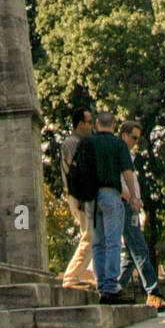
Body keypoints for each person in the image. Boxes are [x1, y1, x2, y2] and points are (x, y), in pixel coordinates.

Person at [90, 110, 138, 303]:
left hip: (91, 197)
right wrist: (133, 196)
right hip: (111, 193)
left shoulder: (88, 143)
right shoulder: (119, 144)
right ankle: (111, 286)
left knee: (97, 243)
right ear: (114, 126)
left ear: (96, 123)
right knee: (113, 242)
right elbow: (127, 171)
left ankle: (101, 285)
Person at [117, 121, 164, 308]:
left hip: (131, 205)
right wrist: (130, 198)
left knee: (130, 255)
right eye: (133, 138)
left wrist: (137, 199)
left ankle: (114, 288)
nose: (136, 142)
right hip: (125, 205)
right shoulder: (118, 152)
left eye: (138, 138)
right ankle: (153, 291)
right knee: (139, 247)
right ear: (124, 135)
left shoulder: (127, 154)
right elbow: (115, 179)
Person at [60, 108, 97, 290]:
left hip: (81, 196)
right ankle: (71, 277)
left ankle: (88, 277)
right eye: (89, 122)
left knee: (92, 236)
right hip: (79, 197)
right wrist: (82, 198)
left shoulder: (80, 143)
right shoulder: (73, 143)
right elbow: (76, 173)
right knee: (89, 236)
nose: (92, 126)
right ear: (81, 124)